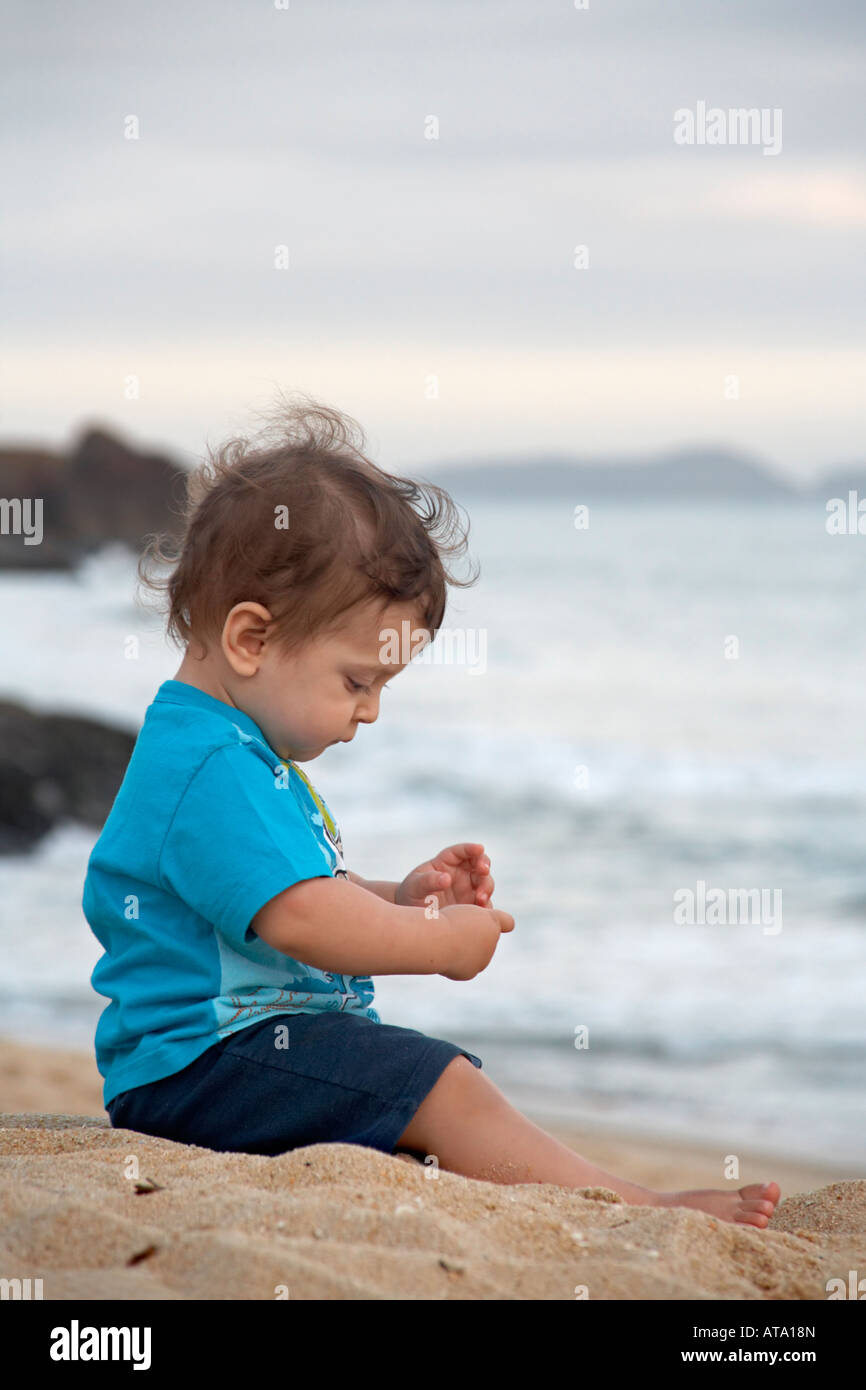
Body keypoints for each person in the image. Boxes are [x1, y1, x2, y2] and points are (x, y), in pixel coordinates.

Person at [83, 394, 780, 1228]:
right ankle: (638, 1204)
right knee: (438, 1084)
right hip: (203, 1070)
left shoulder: (224, 747)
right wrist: (440, 945)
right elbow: (303, 920)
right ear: (251, 639)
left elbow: (286, 897)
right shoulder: (211, 765)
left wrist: (395, 895)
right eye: (358, 682)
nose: (370, 712)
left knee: (416, 1104)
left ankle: (598, 1190)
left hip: (223, 1064)